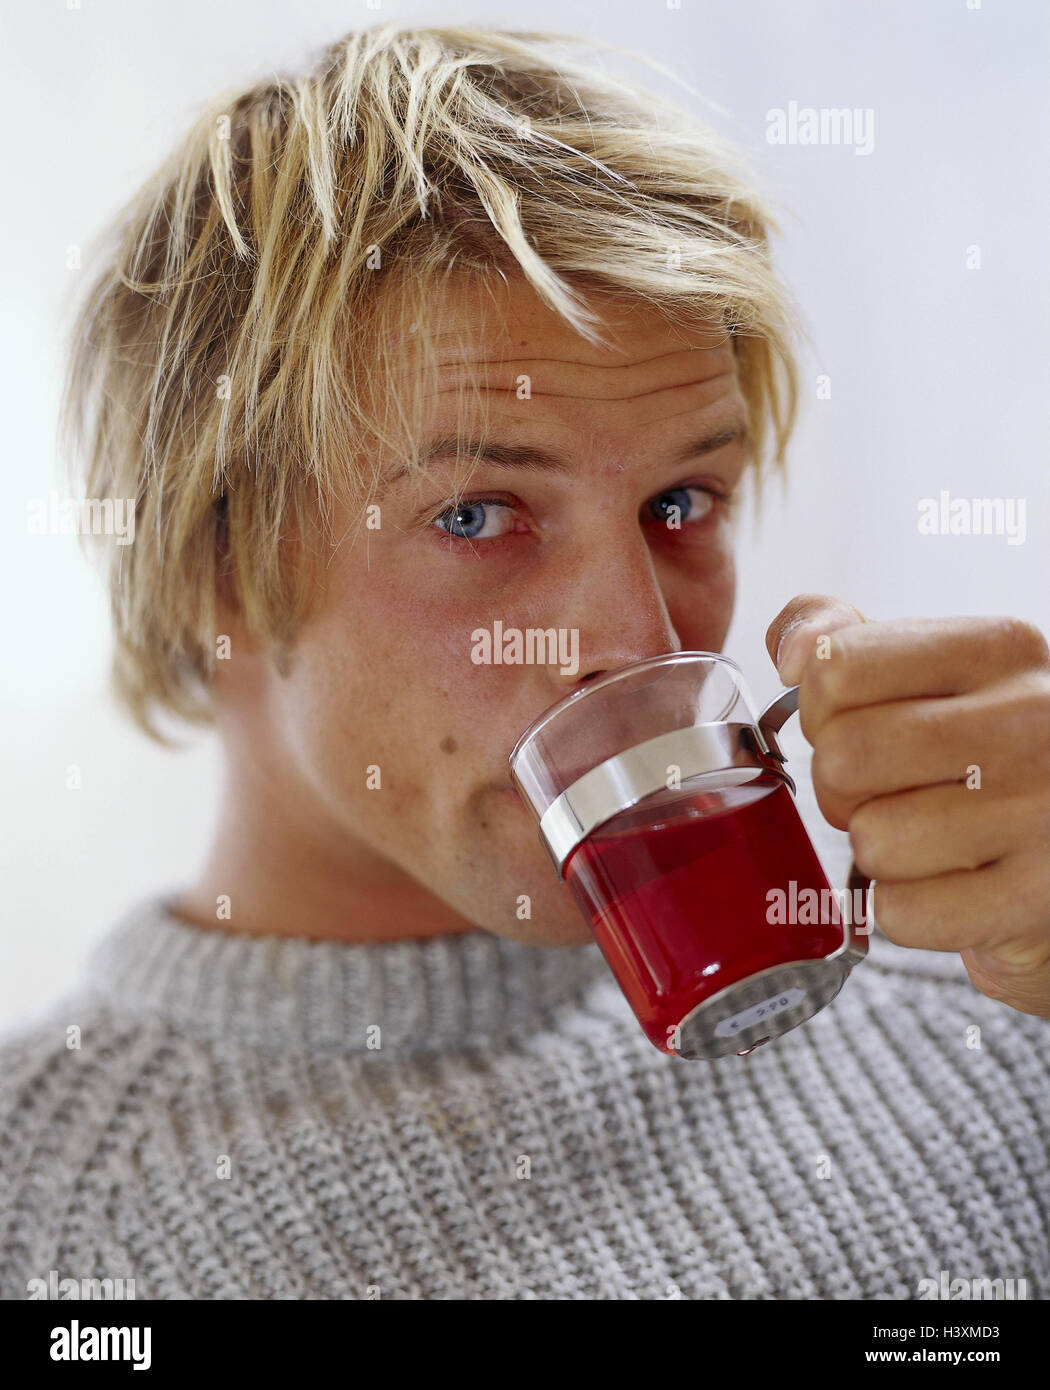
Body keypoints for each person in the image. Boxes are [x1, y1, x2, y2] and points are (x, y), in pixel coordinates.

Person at [2, 24, 1047, 1301]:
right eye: (477, 515)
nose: (641, 640)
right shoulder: (38, 1220)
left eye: (679, 503)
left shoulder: (998, 1016)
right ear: (211, 563)